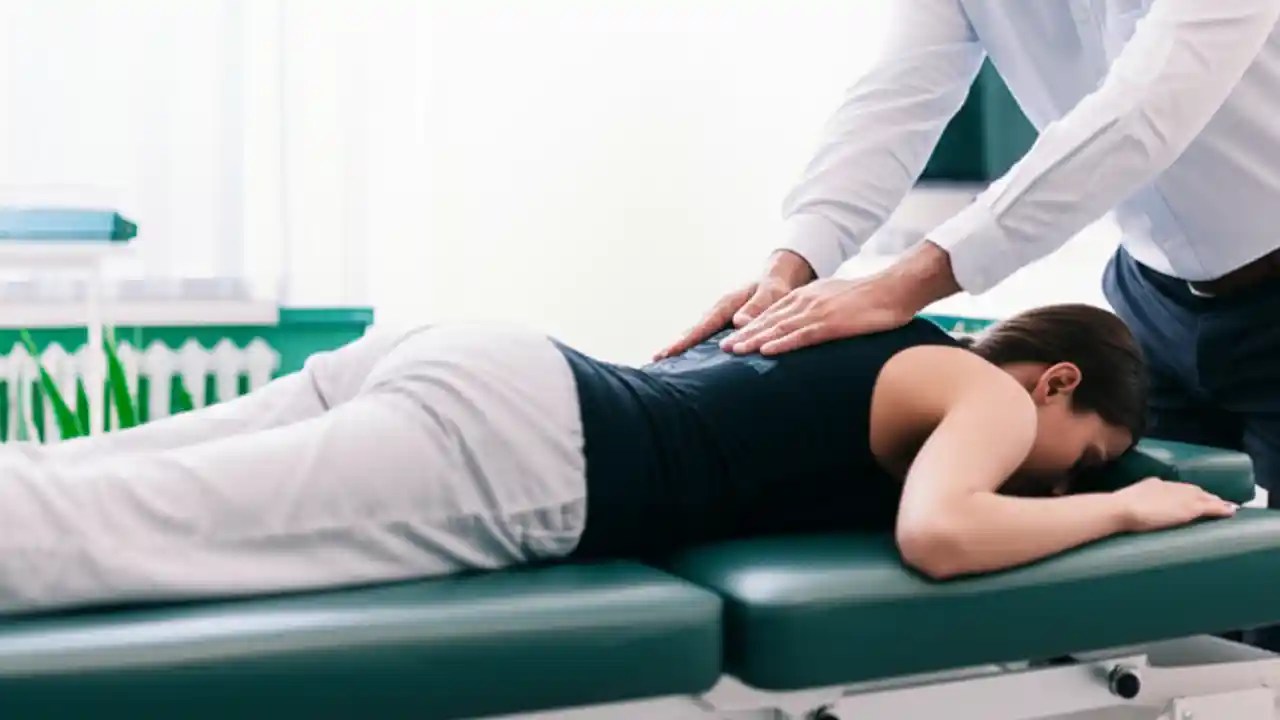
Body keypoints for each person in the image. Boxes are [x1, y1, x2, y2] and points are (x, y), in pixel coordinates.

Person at [0, 305, 1233, 614]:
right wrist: (1122, 515)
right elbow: (940, 534)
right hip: (527, 453)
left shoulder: (873, 322)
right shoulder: (990, 398)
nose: (1056, 481)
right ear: (1053, 381)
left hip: (489, 360)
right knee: (102, 535)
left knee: (81, 477)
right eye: (1083, 455)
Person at [660, 5, 1280, 552]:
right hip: (1155, 298)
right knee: (1163, 581)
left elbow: (1143, 112)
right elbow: (895, 98)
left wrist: (898, 286)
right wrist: (791, 267)